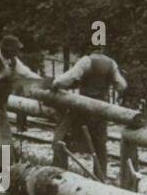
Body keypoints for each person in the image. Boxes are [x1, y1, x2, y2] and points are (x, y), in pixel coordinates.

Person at [51, 43, 128, 181]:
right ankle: (100, 178)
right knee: (100, 146)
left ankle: (58, 174)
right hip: (100, 110)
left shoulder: (86, 60)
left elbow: (69, 78)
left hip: (83, 108)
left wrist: (55, 83)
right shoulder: (111, 63)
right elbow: (121, 85)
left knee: (60, 138)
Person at [0, 34, 39, 152]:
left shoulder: (14, 61)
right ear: (7, 49)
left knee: (0, 138)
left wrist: (45, 82)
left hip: (0, 104)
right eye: (15, 50)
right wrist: (1, 75)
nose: (17, 52)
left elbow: (27, 74)